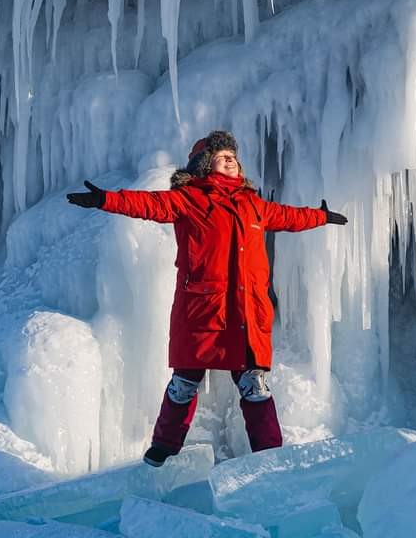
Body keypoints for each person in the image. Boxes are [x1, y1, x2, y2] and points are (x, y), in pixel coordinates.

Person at [66, 130, 347, 466]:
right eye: (221, 156)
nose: (230, 159)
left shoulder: (254, 205)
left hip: (246, 310)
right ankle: (162, 452)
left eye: (233, 156)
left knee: (255, 385)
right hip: (202, 311)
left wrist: (320, 216)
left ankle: (271, 459)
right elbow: (149, 205)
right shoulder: (189, 198)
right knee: (184, 384)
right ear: (204, 166)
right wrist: (106, 200)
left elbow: (289, 216)